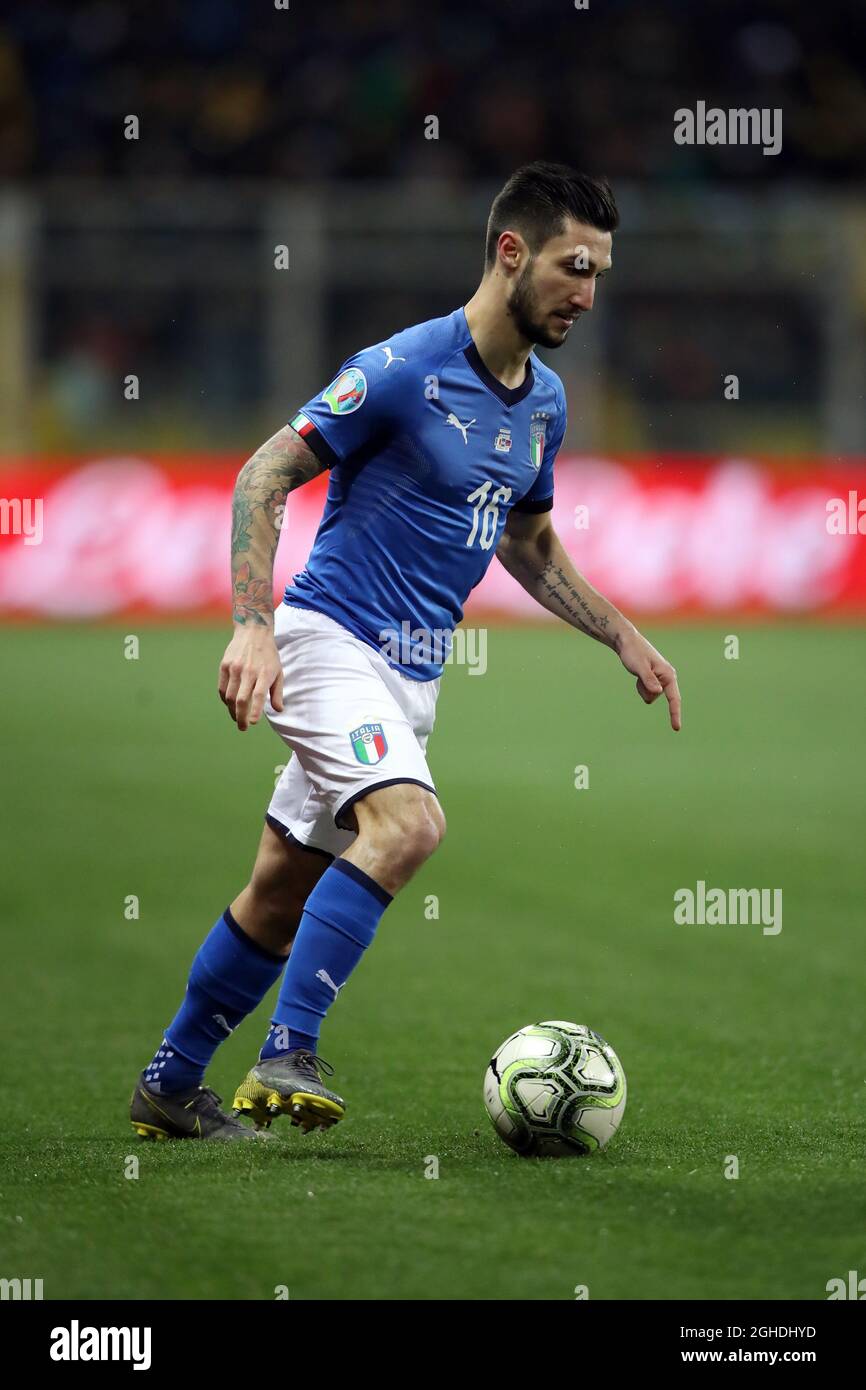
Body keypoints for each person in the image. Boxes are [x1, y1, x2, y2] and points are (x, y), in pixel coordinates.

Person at [129, 161, 681, 1143]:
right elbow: (263, 474)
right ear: (508, 251)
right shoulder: (400, 368)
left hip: (410, 682)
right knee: (410, 823)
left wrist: (619, 633)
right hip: (328, 640)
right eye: (571, 267)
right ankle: (287, 1049)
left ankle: (169, 1083)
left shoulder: (543, 404)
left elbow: (525, 541)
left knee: (278, 888)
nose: (586, 295)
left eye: (597, 274)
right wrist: (252, 622)